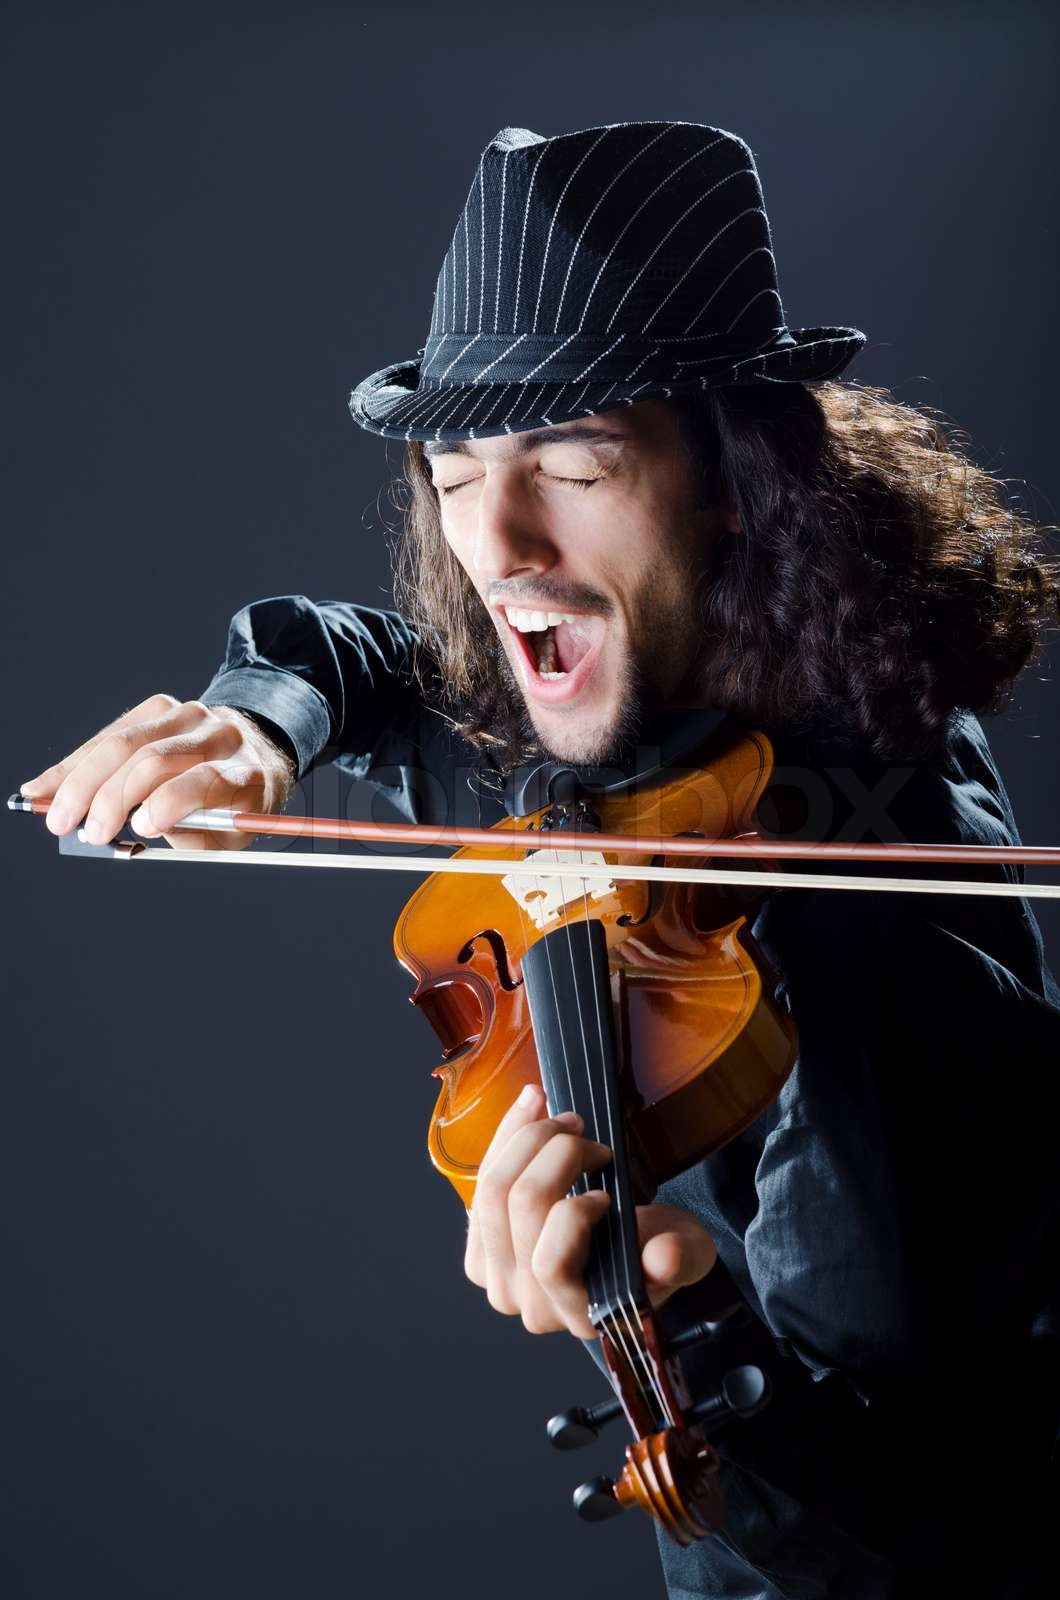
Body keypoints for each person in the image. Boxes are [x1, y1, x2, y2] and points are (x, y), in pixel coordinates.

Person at [20, 121, 1060, 1597]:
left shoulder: (878, 932)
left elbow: (955, 1543)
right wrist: (261, 725)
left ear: (731, 482)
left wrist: (684, 1327)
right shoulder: (606, 709)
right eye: (452, 467)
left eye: (569, 464)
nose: (493, 540)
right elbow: (361, 652)